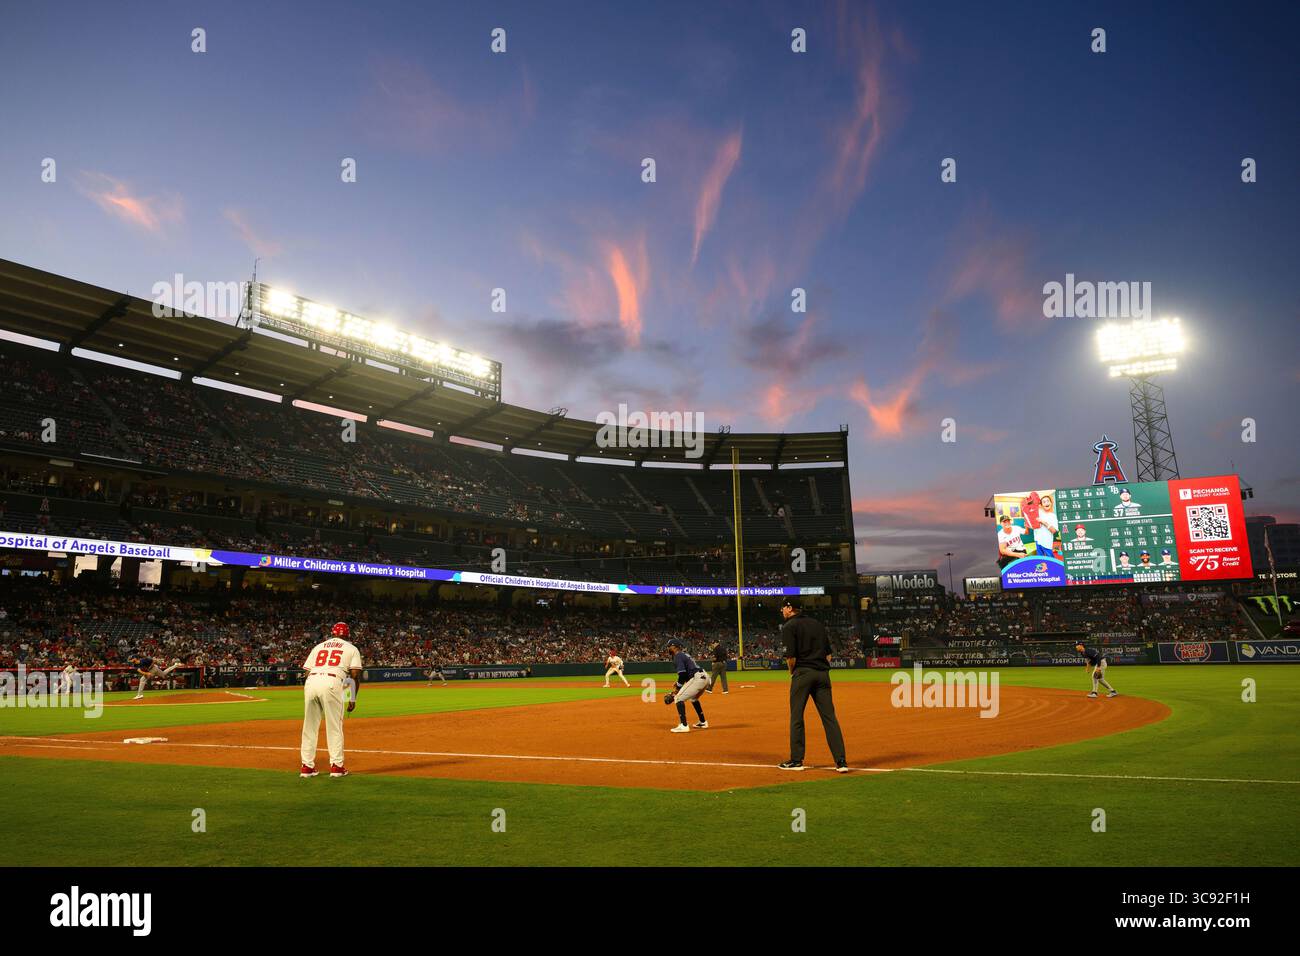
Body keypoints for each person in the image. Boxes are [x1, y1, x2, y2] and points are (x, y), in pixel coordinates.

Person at [778, 598, 848, 772]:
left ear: (789, 608)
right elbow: (829, 655)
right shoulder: (817, 624)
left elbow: (791, 657)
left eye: (783, 608)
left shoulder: (789, 626)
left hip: (803, 673)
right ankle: (841, 762)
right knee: (830, 718)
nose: (782, 611)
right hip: (823, 675)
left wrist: (792, 673)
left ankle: (796, 760)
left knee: (796, 717)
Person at [300, 621, 363, 778]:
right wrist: (352, 698)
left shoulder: (319, 646)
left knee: (309, 727)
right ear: (347, 634)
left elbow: (307, 672)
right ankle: (337, 767)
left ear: (333, 633)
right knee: (334, 726)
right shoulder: (351, 648)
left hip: (311, 682)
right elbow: (354, 675)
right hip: (332, 681)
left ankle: (307, 767)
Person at [663, 639, 709, 732]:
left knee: (678, 698)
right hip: (705, 677)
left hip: (697, 678)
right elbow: (687, 675)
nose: (668, 648)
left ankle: (684, 725)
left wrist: (676, 690)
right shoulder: (684, 655)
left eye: (669, 646)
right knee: (693, 698)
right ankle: (703, 722)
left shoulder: (678, 656)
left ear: (674, 647)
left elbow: (682, 674)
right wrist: (678, 683)